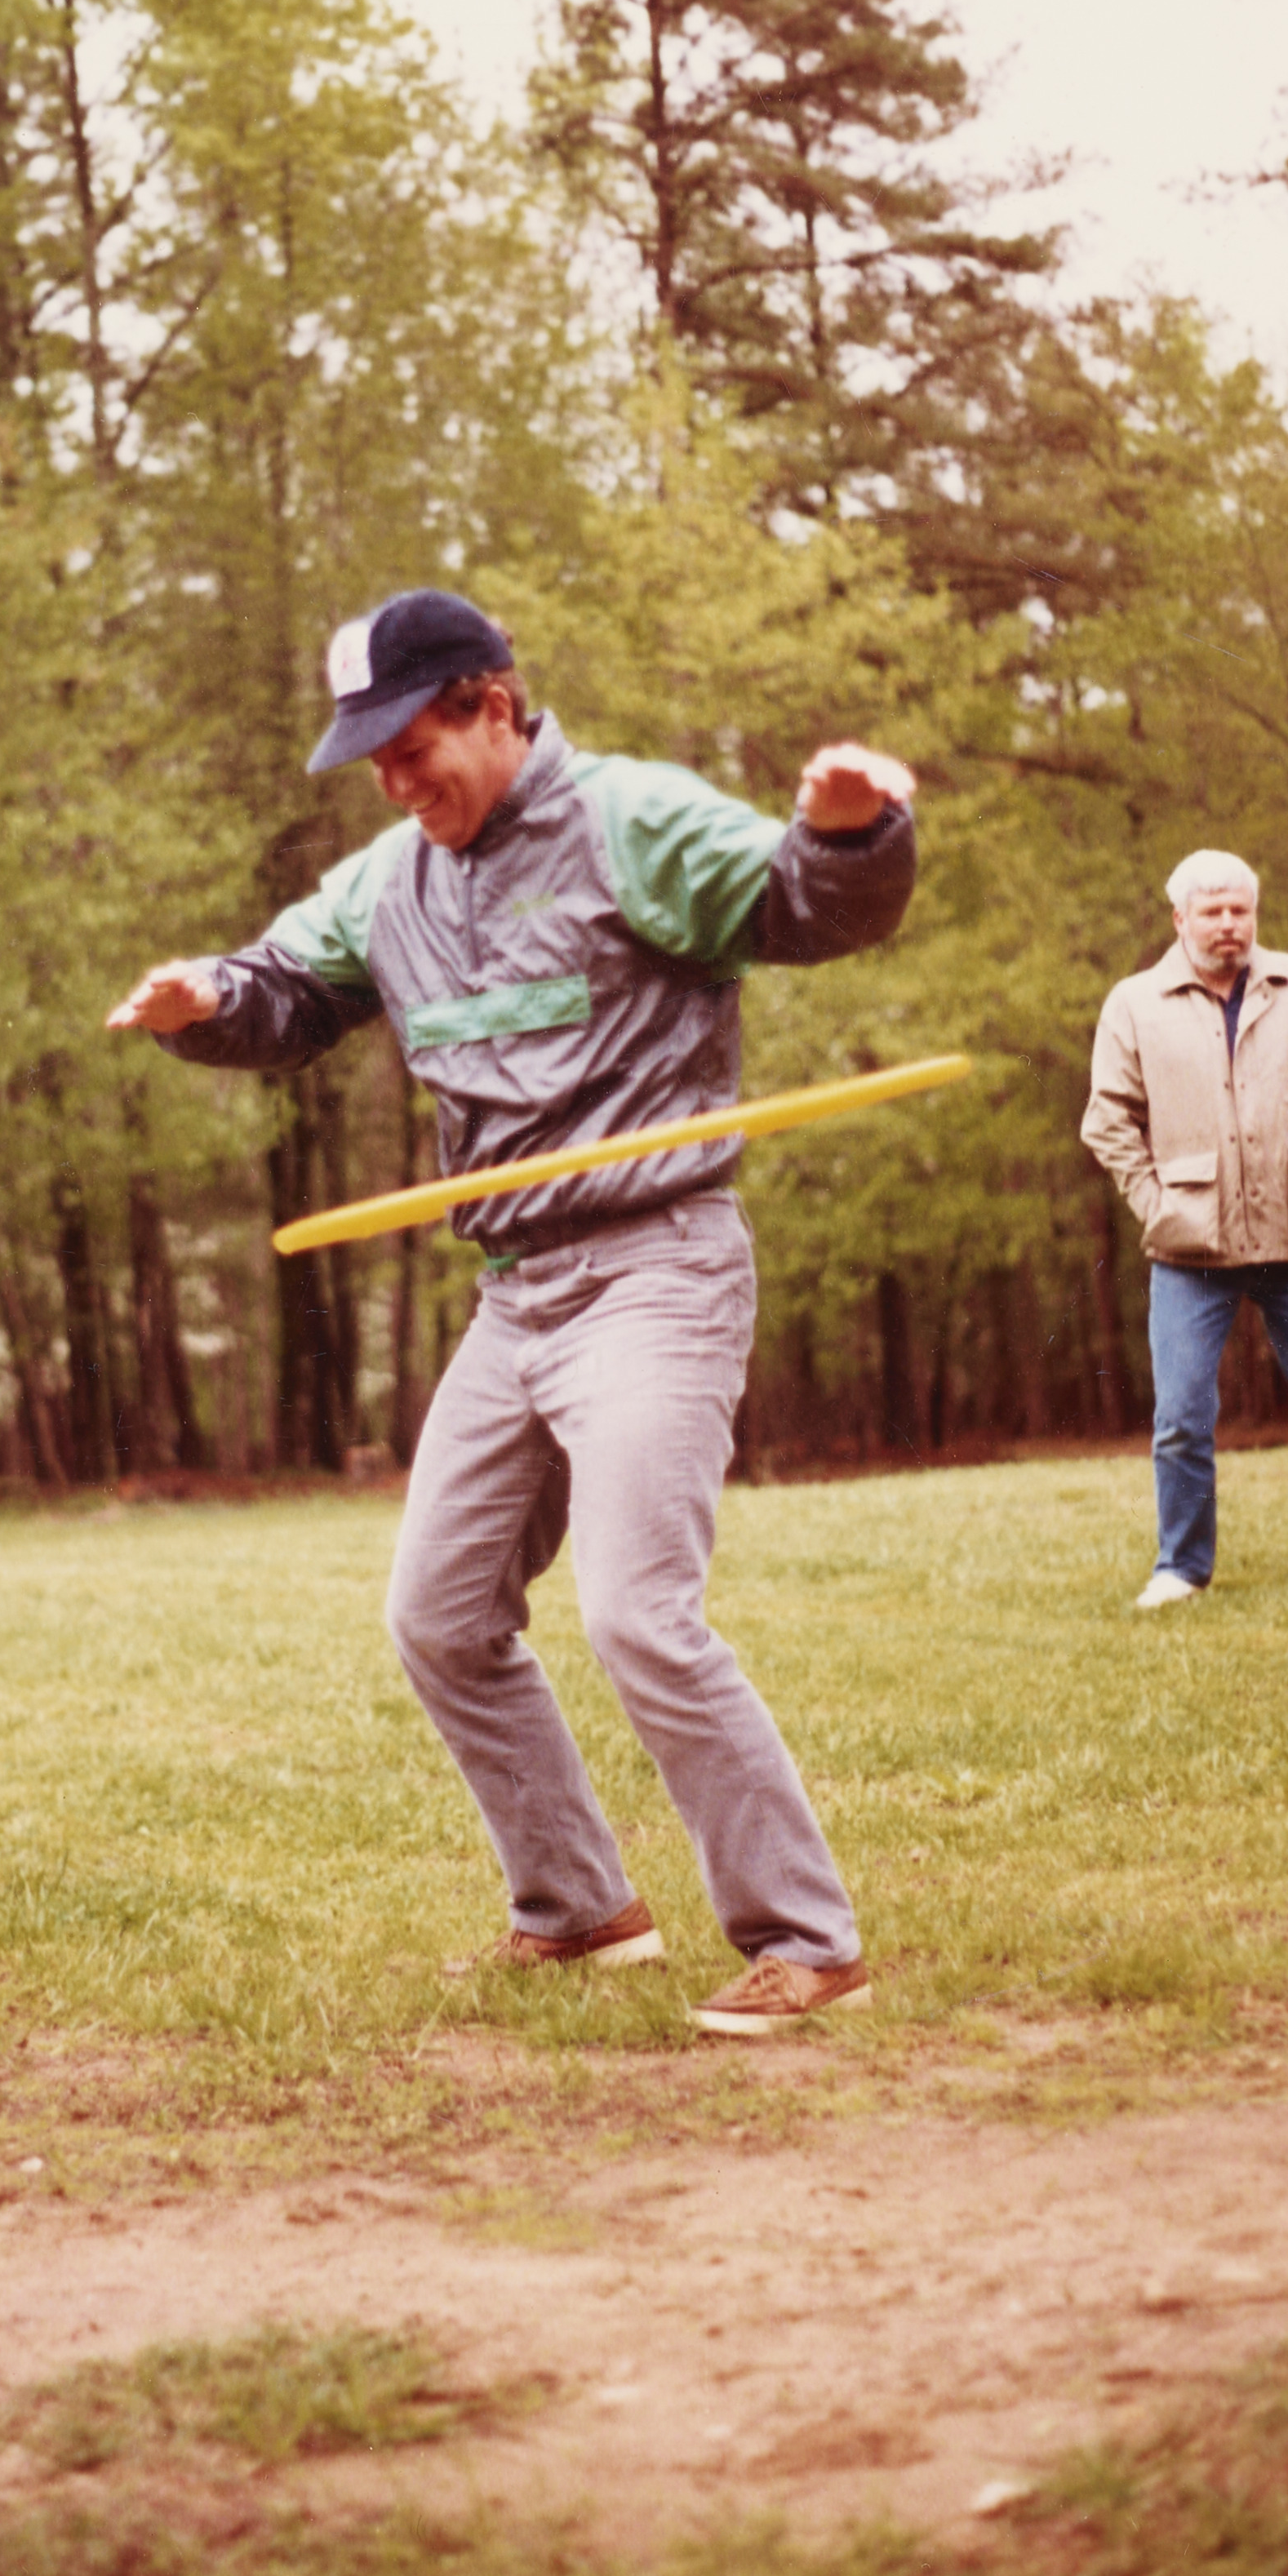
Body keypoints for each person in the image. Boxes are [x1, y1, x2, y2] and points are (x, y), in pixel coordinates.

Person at [109, 588, 917, 2035]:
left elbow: (803, 902)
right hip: (516, 1294)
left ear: (492, 703)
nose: (394, 783)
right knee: (438, 1615)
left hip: (654, 1266)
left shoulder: (629, 821)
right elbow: (284, 989)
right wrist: (203, 1004)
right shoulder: (391, 883)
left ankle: (809, 1941)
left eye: (413, 748)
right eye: (373, 762)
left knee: (638, 1613)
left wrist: (850, 834)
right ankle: (578, 1911)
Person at [1081, 849, 1288, 1610]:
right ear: (1180, 919)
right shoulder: (1134, 1003)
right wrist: (1156, 1202)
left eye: (1240, 910)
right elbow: (1108, 1121)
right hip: (1190, 1248)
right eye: (1212, 911)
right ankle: (1181, 1569)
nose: (1229, 924)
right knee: (1182, 1418)